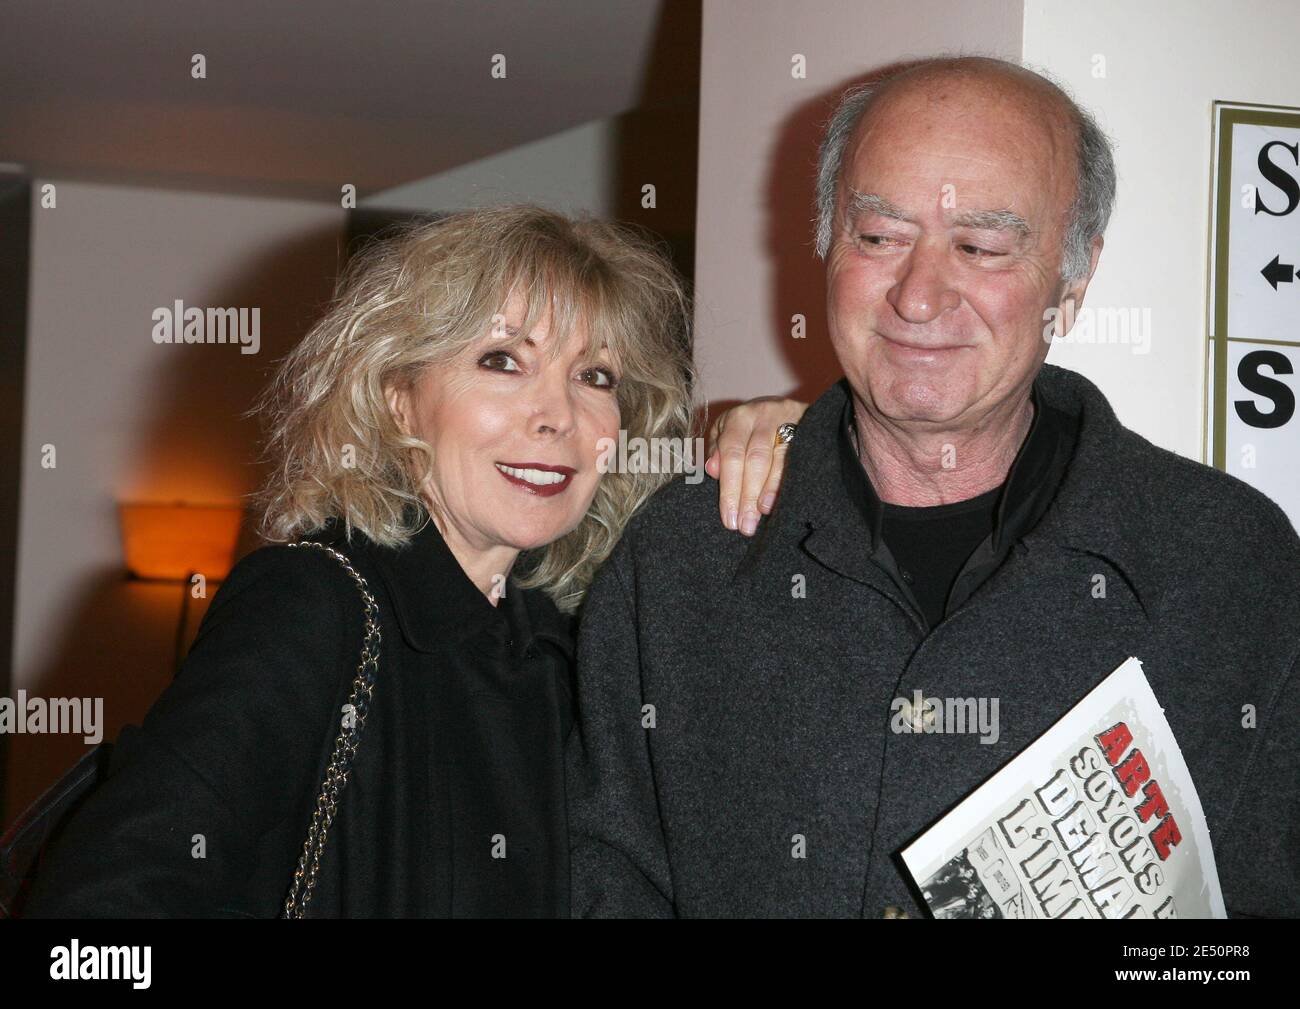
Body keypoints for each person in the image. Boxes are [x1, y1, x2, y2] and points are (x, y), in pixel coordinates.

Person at [566, 57, 1300, 918]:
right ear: (825, 242)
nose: (918, 295)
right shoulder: (681, 562)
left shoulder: (1228, 563)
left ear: (1074, 278)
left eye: (981, 247)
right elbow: (605, 885)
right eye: (878, 237)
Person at [20, 204, 802, 918]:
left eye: (595, 376)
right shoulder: (313, 604)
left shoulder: (573, 651)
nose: (557, 415)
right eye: (503, 359)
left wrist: (803, 443)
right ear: (399, 397)